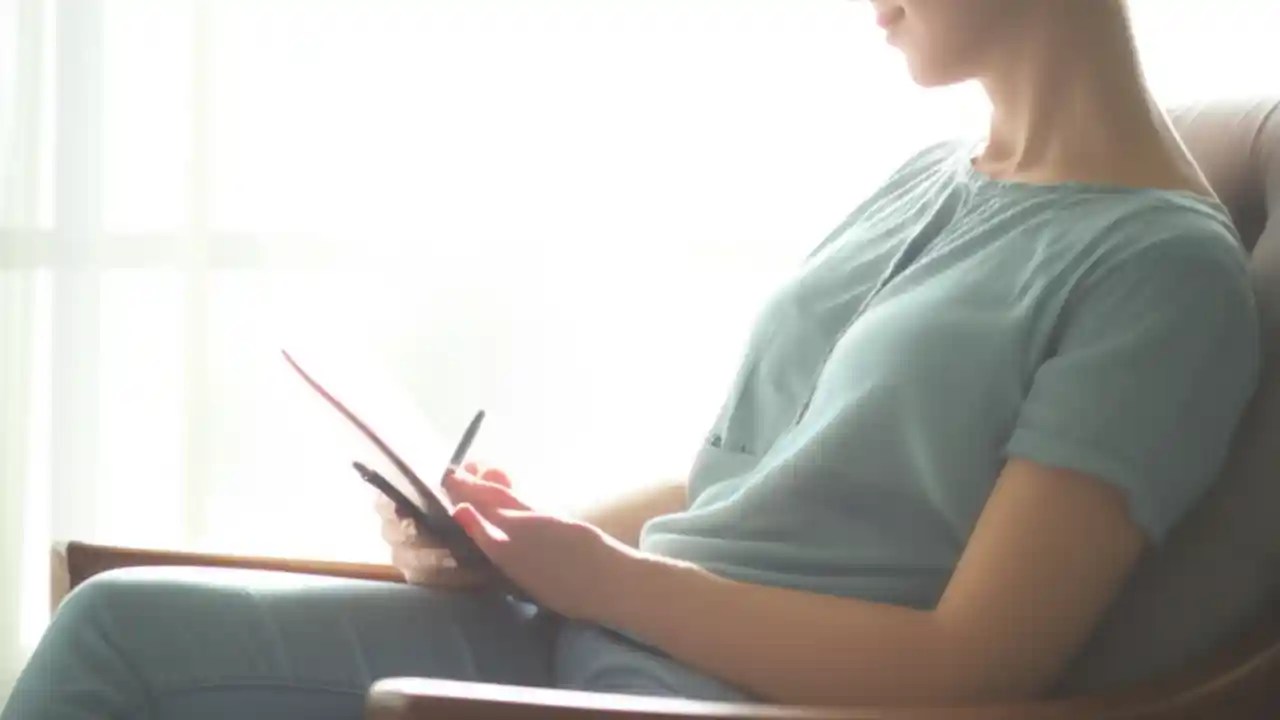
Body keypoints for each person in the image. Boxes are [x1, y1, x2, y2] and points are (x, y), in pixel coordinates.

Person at [2, 1, 1262, 717]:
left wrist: (597, 582)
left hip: (689, 705)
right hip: (591, 645)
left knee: (120, 655)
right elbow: (734, 483)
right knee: (120, 625)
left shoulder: (1158, 276)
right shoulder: (928, 177)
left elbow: (972, 666)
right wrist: (509, 541)